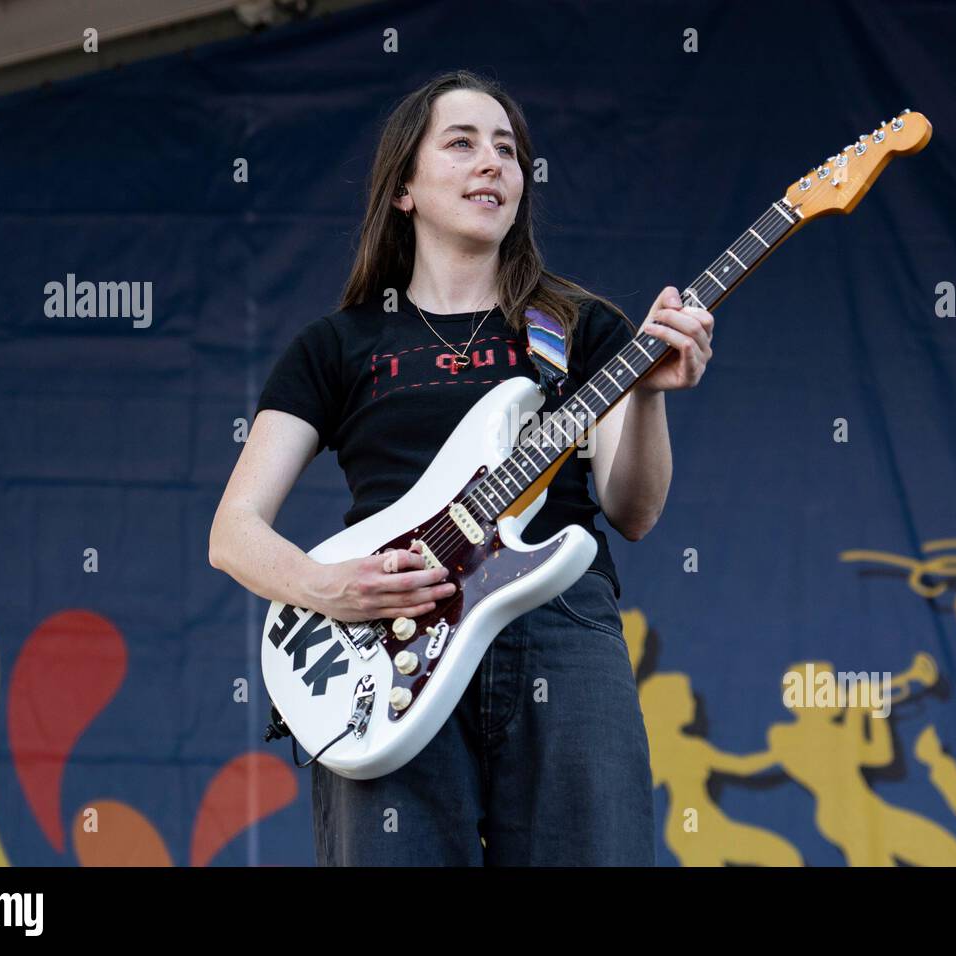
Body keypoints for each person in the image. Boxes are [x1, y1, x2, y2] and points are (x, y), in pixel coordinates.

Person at [208, 69, 713, 866]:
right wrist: (325, 587)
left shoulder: (577, 327)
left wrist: (648, 397)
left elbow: (635, 509)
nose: (493, 163)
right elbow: (233, 532)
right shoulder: (337, 346)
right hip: (387, 636)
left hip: (560, 629)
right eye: (462, 143)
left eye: (508, 150)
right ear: (404, 187)